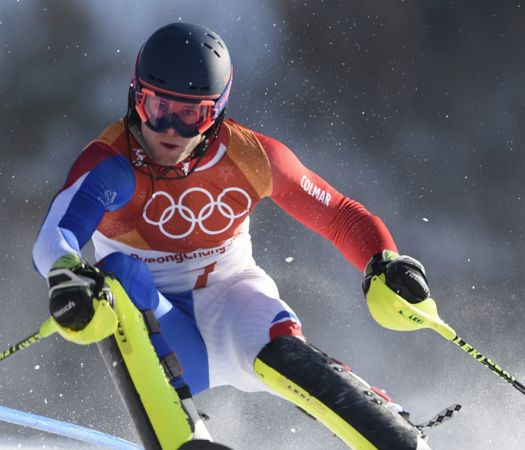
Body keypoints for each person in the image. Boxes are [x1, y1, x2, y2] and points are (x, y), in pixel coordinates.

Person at [33, 22, 436, 450]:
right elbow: (55, 236)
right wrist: (68, 276)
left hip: (232, 298)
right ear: (137, 98)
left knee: (278, 345)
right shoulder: (110, 162)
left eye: (191, 115)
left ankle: (381, 424)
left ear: (215, 114)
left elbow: (339, 215)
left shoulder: (252, 157)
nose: (169, 129)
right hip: (158, 320)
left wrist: (384, 262)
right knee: (113, 278)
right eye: (157, 107)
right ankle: (185, 435)